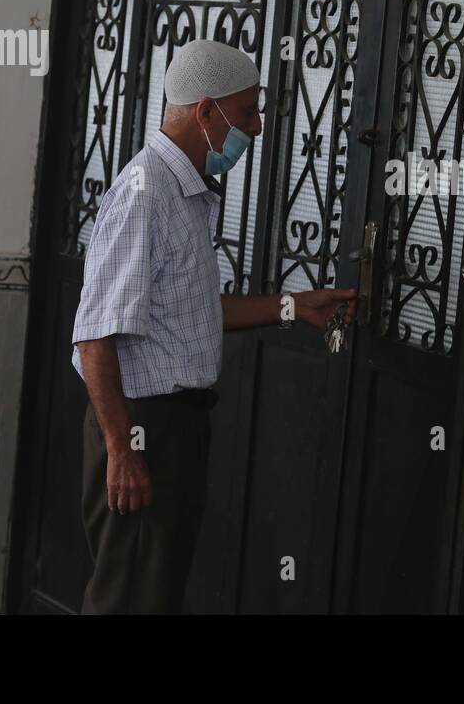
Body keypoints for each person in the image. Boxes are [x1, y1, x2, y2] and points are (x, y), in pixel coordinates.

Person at [71, 38, 356, 613]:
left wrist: (293, 307)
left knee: (153, 595)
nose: (255, 127)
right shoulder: (145, 194)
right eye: (247, 111)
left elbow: (194, 311)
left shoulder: (187, 194)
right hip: (140, 427)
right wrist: (122, 448)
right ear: (206, 112)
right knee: (128, 598)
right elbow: (94, 334)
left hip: (174, 431)